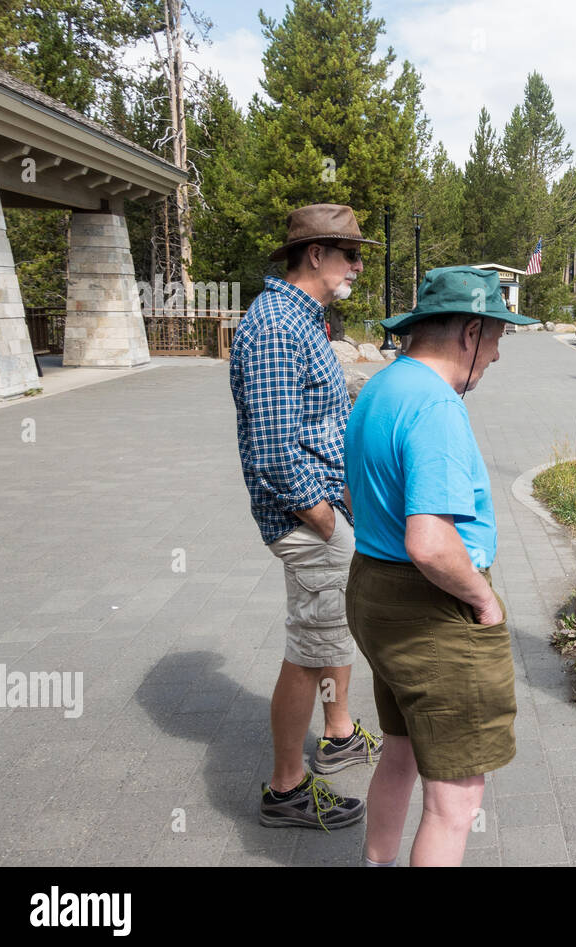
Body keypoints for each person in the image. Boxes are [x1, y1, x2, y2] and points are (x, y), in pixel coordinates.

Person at [344, 266, 537, 866]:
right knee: (455, 797)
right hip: (431, 609)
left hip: (373, 588)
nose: (499, 354)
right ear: (471, 332)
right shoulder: (436, 407)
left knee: (399, 752)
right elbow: (429, 543)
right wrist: (482, 599)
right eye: (498, 336)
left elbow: (354, 497)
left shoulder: (381, 387)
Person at [229, 203, 385, 831]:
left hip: (325, 508)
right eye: (349, 253)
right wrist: (323, 518)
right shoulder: (274, 326)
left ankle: (339, 733)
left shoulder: (304, 319)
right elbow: (271, 446)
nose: (357, 264)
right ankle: (286, 788)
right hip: (306, 516)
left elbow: (316, 415)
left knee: (331, 630)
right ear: (315, 255)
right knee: (309, 645)